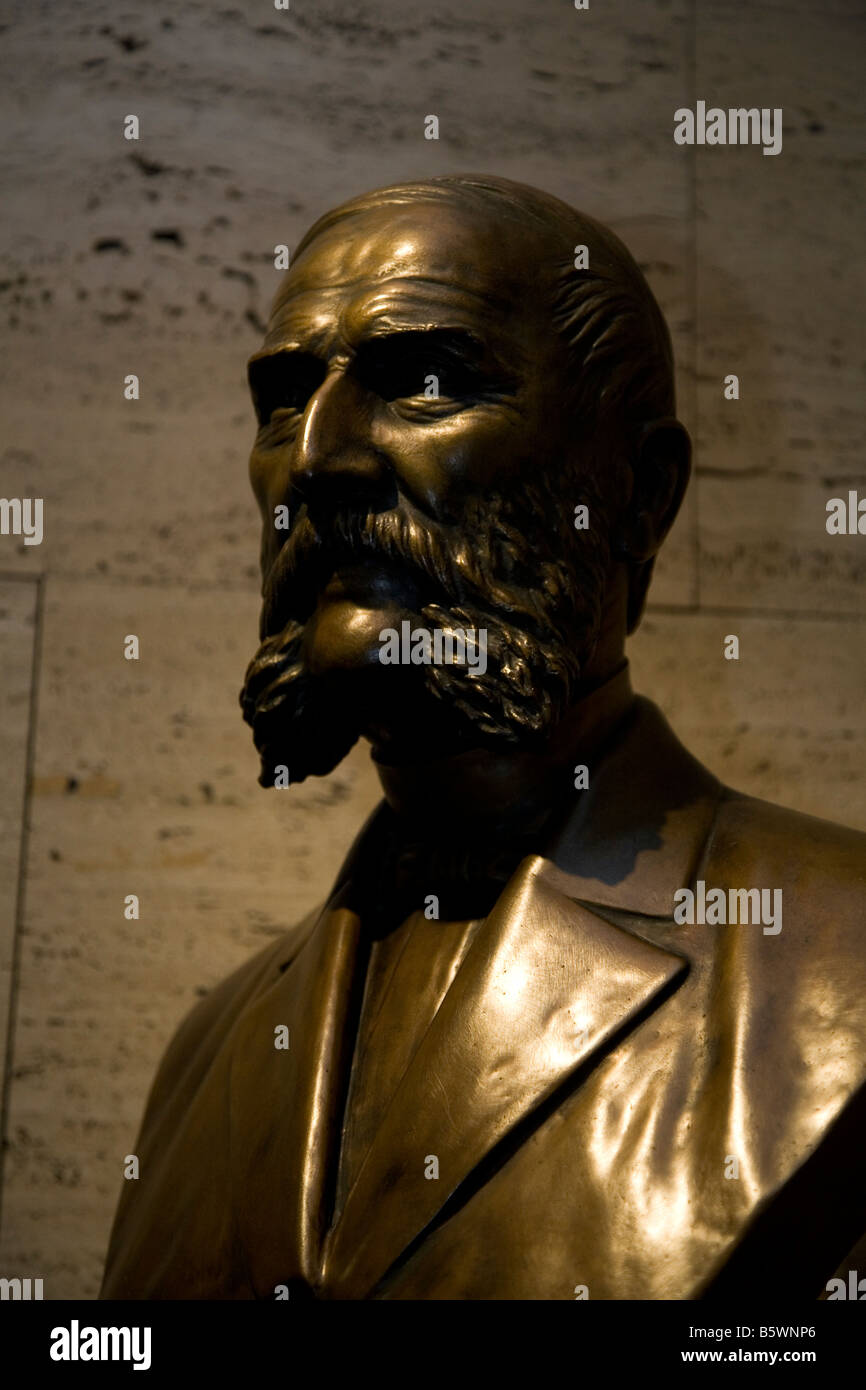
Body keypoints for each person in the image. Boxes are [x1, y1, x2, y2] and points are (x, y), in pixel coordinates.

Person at [101, 176, 866, 1301]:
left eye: (425, 384)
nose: (316, 458)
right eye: (283, 397)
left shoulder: (837, 963)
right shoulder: (206, 1055)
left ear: (638, 493)